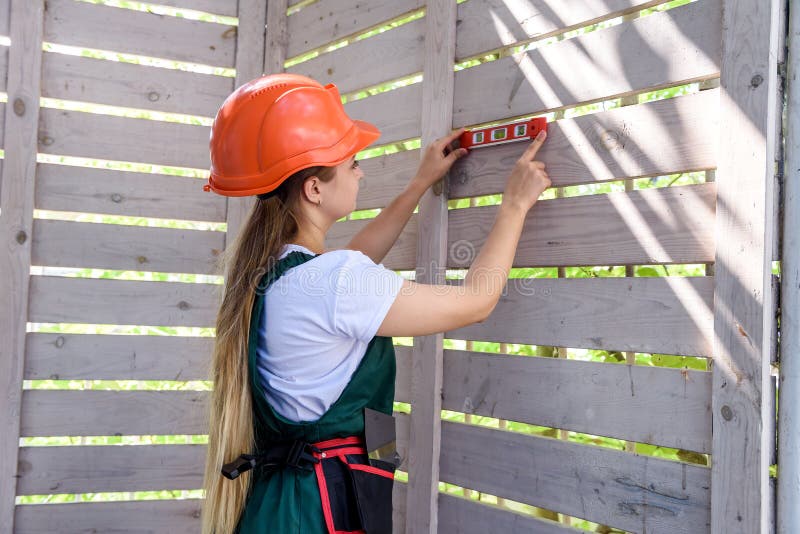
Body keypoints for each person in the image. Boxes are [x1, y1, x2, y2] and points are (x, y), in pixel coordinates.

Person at [200, 73, 550, 534]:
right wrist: (514, 206)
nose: (361, 172)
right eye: (352, 164)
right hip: (319, 513)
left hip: (279, 506)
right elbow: (475, 302)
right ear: (314, 189)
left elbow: (355, 262)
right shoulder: (333, 283)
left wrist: (420, 184)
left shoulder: (274, 273)